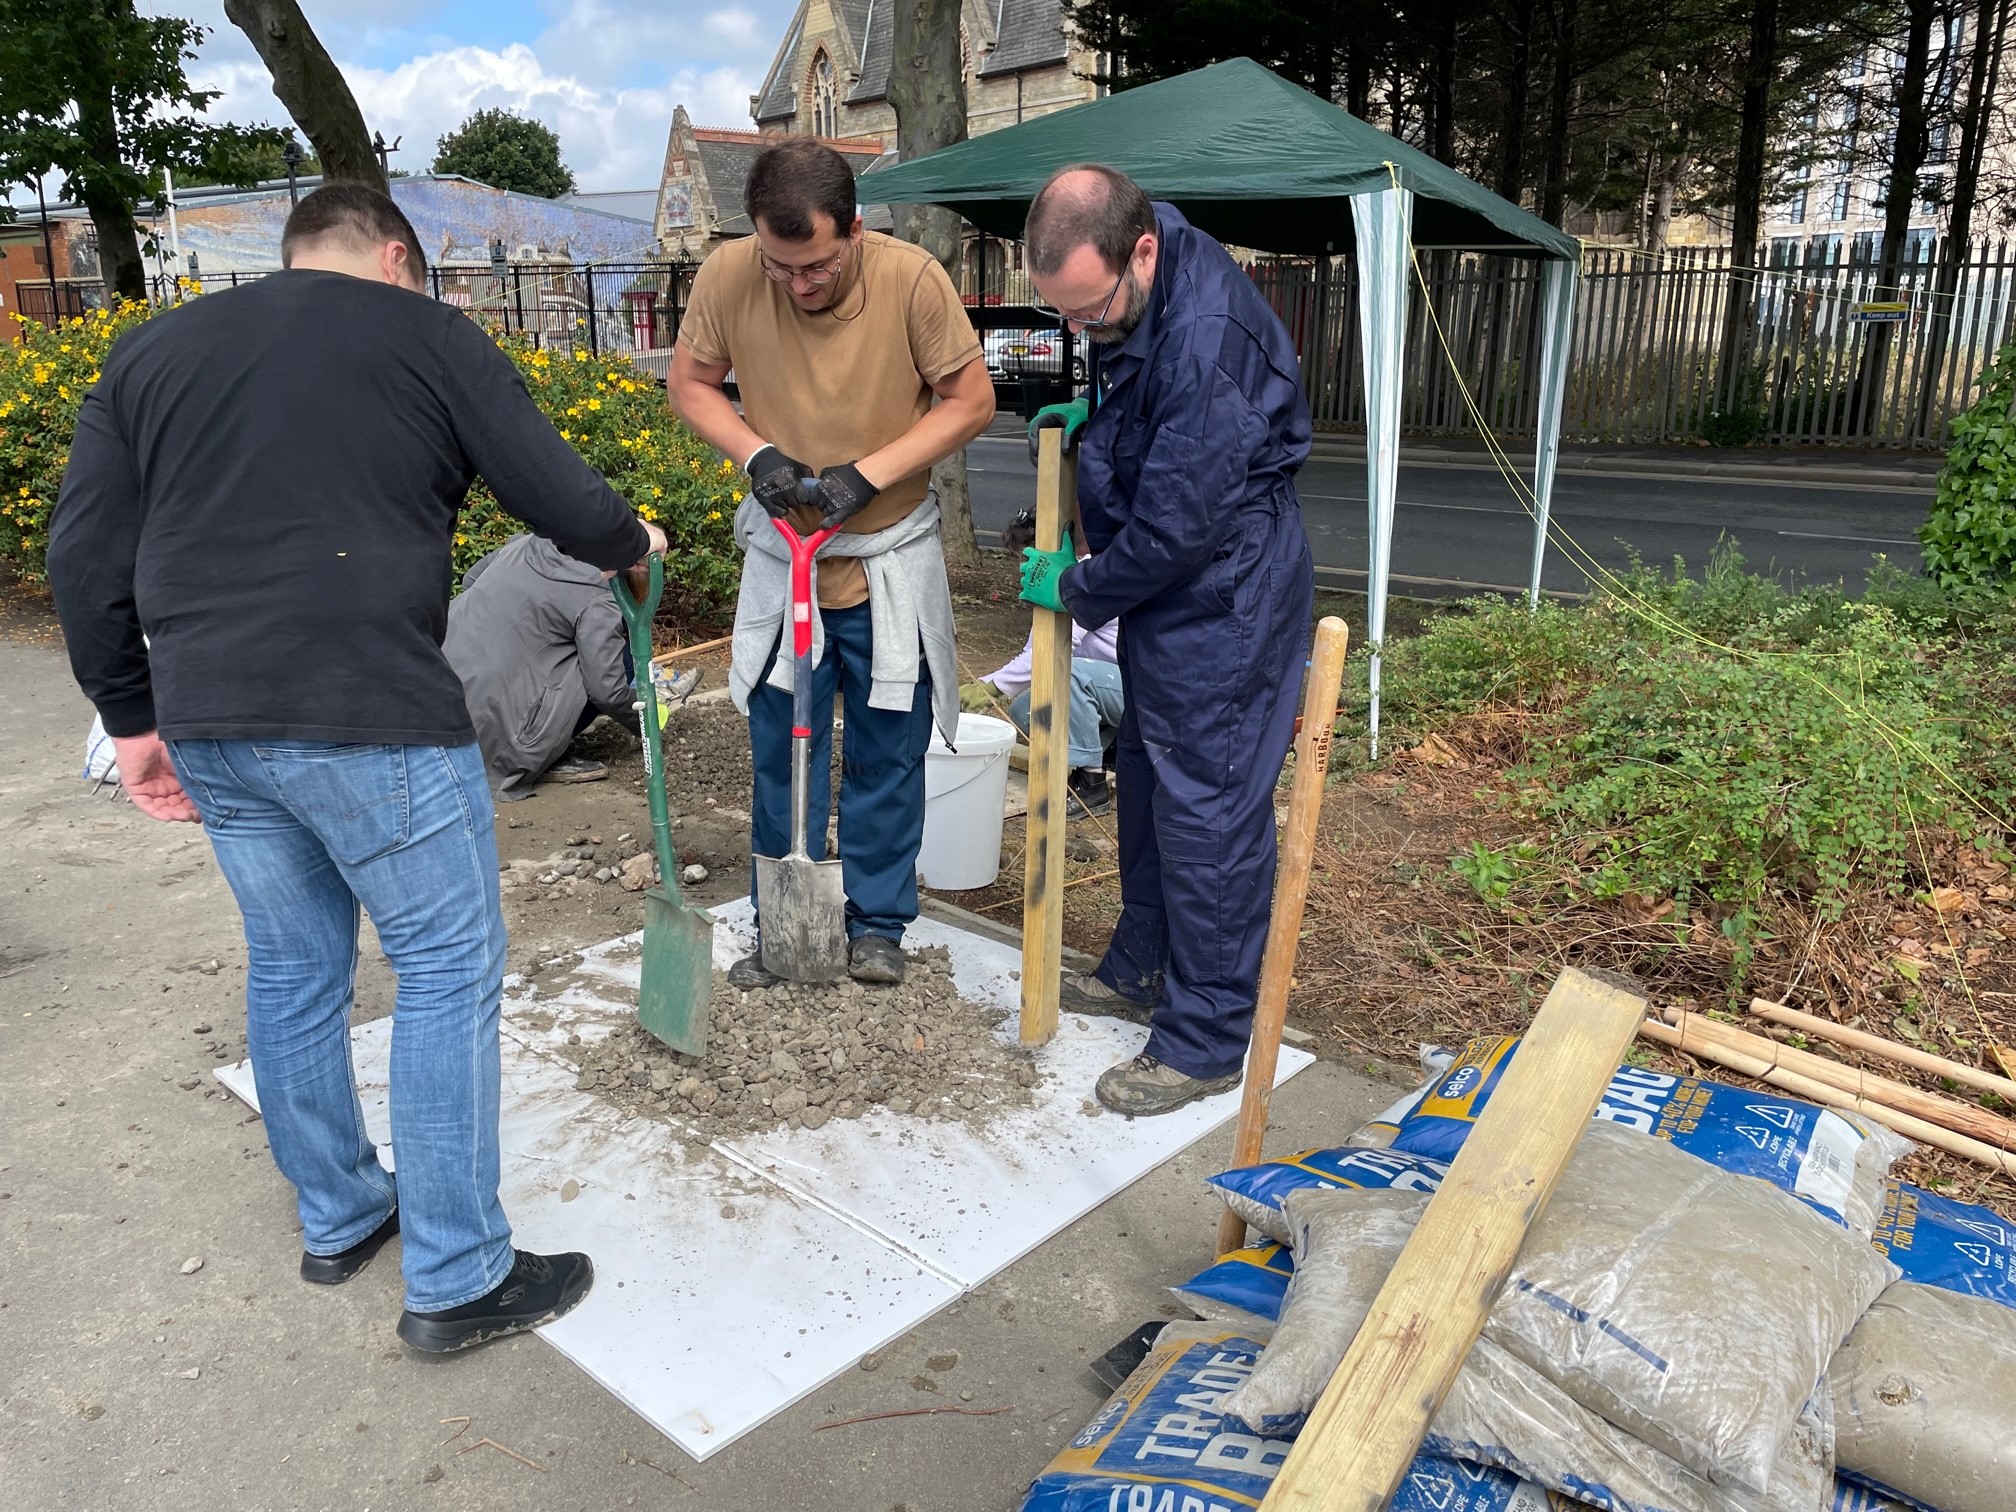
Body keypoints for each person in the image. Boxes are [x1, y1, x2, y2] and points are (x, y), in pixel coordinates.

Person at [46, 183, 668, 1353]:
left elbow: (80, 551)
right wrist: (633, 542)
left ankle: (339, 1214)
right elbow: (547, 487)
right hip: (366, 710)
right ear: (395, 260)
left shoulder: (152, 354)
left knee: (292, 968)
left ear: (292, 258)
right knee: (443, 970)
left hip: (214, 720)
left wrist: (131, 720)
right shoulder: (422, 331)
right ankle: (458, 1275)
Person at [1015, 165, 1316, 1116]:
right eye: (1062, 312)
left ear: (1139, 252)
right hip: (1177, 581)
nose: (1079, 331)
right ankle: (1141, 964)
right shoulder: (1150, 259)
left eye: (1090, 309)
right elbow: (1143, 412)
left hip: (1223, 588)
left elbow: (1174, 533)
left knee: (1208, 809)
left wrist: (1075, 587)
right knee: (1147, 774)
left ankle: (1204, 1040)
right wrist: (1096, 416)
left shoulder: (1205, 346)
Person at [667, 139, 995, 987]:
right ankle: (786, 920)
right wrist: (755, 455)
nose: (797, 286)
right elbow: (692, 383)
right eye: (780, 267)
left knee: (888, 748)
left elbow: (972, 400)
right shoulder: (732, 275)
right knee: (783, 748)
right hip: (791, 560)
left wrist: (870, 473)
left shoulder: (911, 279)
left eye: (814, 267)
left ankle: (878, 922)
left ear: (852, 229)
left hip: (886, 557)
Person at [445, 533, 698, 800]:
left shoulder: (530, 544)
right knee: (620, 659)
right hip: (494, 742)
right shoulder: (600, 593)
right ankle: (542, 754)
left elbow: (471, 579)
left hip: (441, 698)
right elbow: (606, 691)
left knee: (569, 649)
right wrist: (647, 722)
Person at [959, 510, 1122, 817]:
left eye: (1024, 558)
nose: (1021, 568)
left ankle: (1092, 785)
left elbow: (1051, 654)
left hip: (1134, 689)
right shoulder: (1053, 586)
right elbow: (1034, 652)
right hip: (1105, 690)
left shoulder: (1080, 577)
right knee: (1027, 708)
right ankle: (1109, 752)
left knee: (1066, 673)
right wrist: (986, 682)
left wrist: (992, 687)